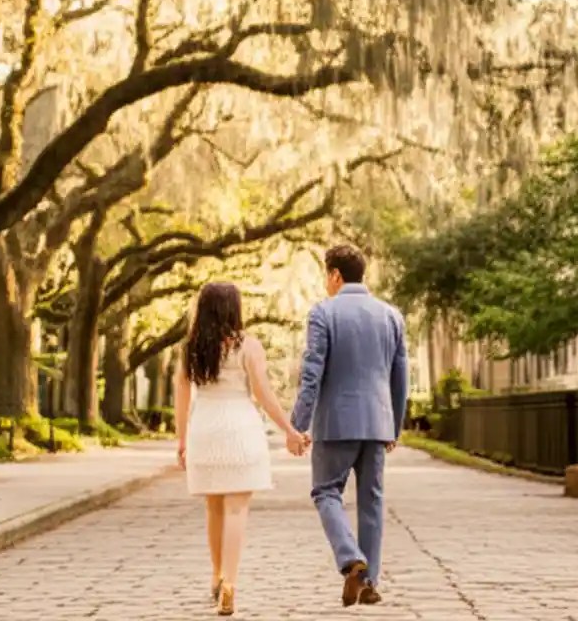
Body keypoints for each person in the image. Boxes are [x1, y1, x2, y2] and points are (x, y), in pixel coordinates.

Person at [174, 282, 309, 617]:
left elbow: (181, 395)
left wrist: (181, 440)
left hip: (204, 426)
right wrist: (289, 430)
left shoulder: (190, 347)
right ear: (235, 308)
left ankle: (216, 576)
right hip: (239, 427)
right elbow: (263, 394)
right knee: (236, 509)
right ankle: (231, 583)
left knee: (213, 507)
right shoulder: (248, 345)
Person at [290, 244, 409, 607]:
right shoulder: (391, 316)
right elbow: (399, 376)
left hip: (336, 423)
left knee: (325, 492)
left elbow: (312, 373)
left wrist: (298, 423)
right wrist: (396, 425)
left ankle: (350, 559)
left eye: (326, 275)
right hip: (377, 422)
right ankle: (370, 582)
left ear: (335, 275)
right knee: (372, 501)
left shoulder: (323, 313)